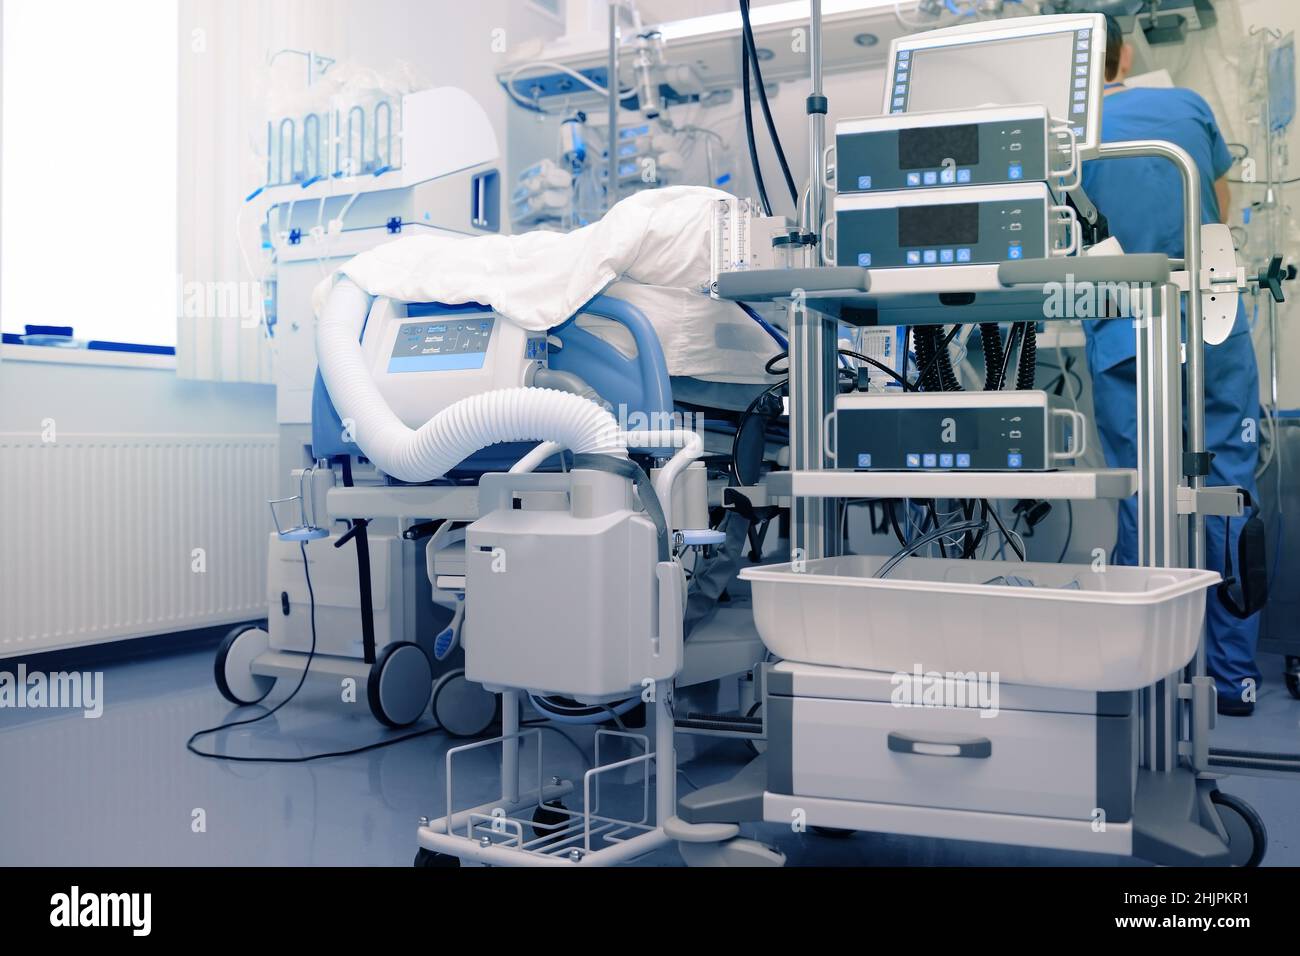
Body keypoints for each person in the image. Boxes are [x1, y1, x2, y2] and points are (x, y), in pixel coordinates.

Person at [1081, 15, 1263, 715]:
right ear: (1126, 52)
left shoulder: (1067, 139)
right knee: (1228, 489)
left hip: (1124, 324)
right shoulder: (1186, 106)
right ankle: (1235, 677)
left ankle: (1149, 670)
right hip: (1211, 316)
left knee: (1139, 495)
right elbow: (1220, 207)